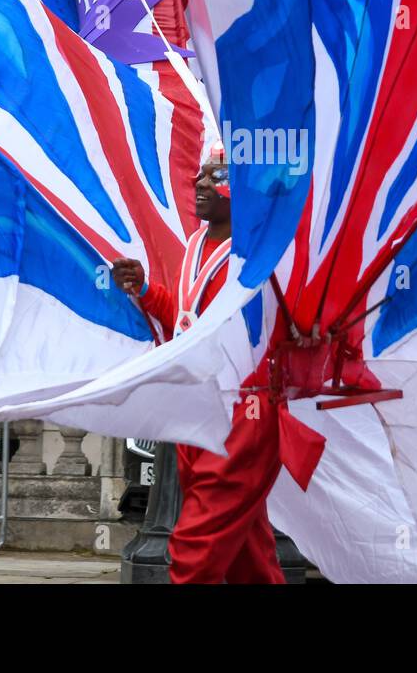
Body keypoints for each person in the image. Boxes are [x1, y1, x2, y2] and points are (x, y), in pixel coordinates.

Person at [111, 144, 285, 584]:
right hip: (197, 410)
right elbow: (185, 320)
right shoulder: (194, 245)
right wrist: (146, 290)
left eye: (215, 175)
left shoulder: (261, 255)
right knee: (250, 553)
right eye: (201, 174)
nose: (199, 182)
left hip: (238, 412)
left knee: (194, 549)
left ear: (241, 187)